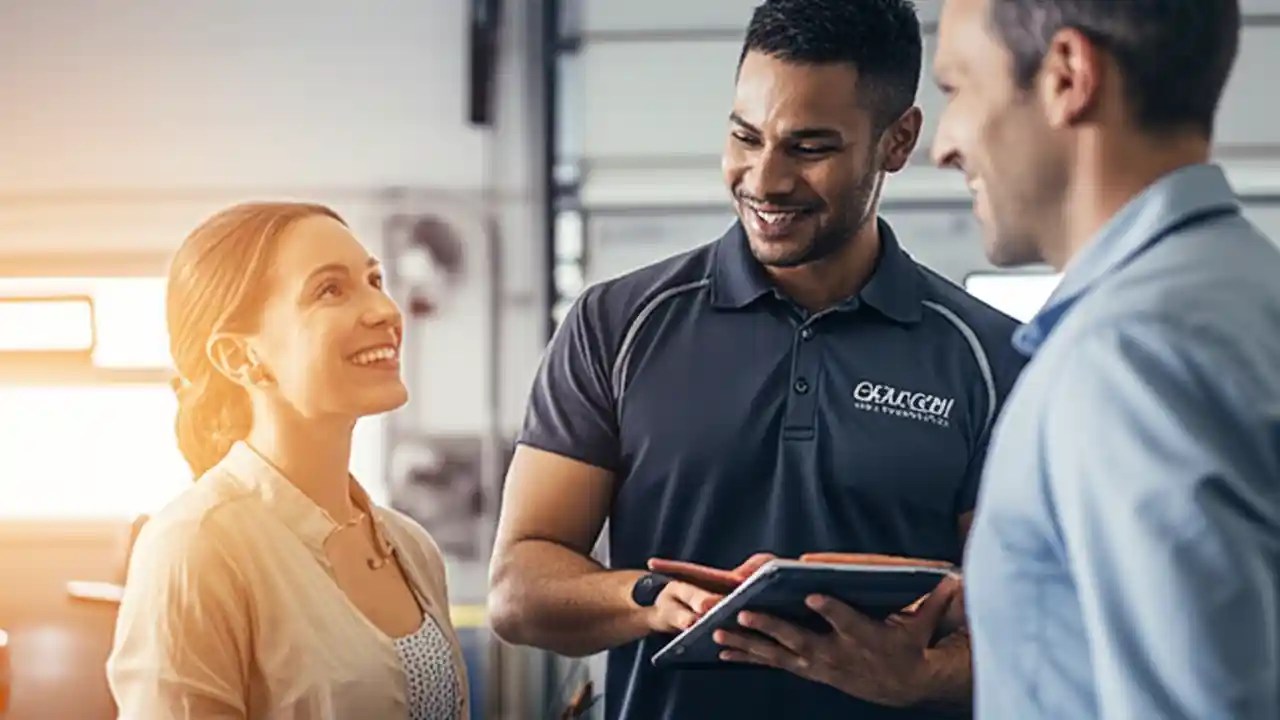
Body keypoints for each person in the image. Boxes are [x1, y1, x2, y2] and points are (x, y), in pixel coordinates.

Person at [488, 1, 1026, 718]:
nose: (764, 180)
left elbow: (1035, 624)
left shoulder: (988, 356)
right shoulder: (616, 325)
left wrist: (924, 675)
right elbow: (518, 590)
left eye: (809, 148)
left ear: (898, 142)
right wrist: (651, 601)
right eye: (746, 136)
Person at [931, 1, 1280, 718]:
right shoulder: (1245, 293)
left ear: (1068, 75)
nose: (943, 145)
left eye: (957, 88)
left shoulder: (1125, 357)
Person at [106, 202, 470, 719]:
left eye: (374, 279)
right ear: (240, 357)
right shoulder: (194, 547)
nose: (386, 310)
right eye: (330, 290)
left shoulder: (412, 548)